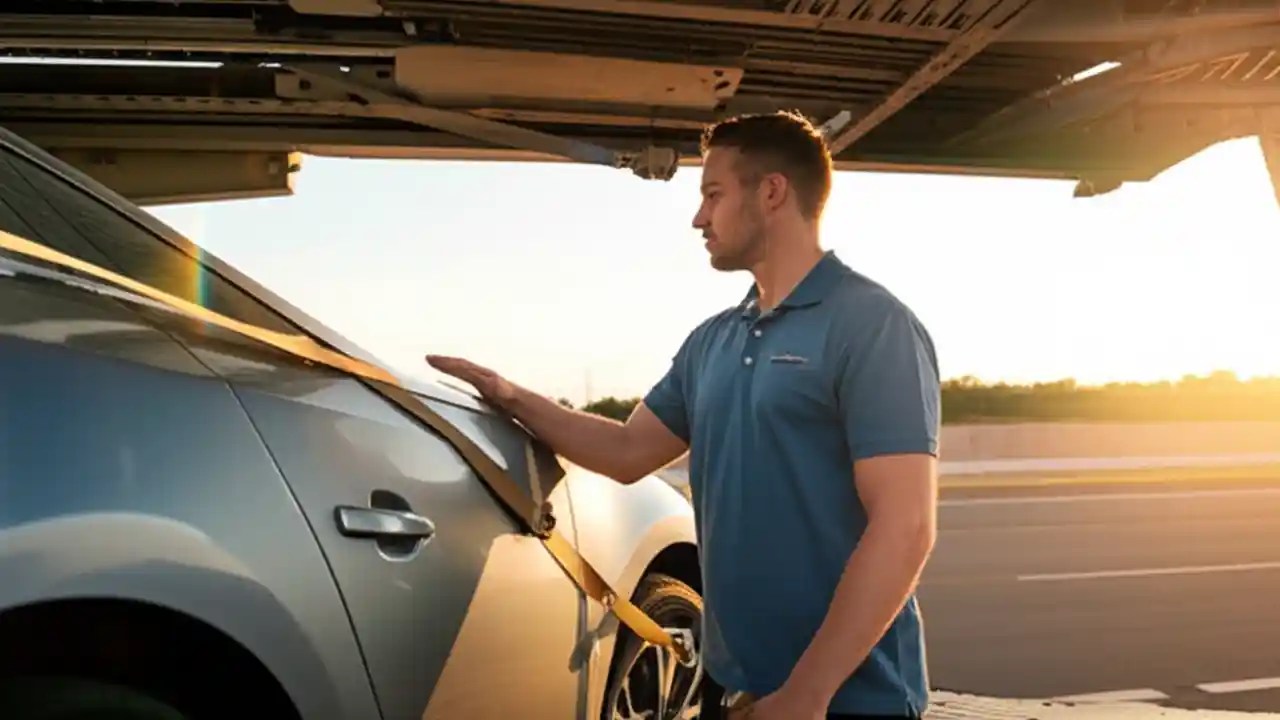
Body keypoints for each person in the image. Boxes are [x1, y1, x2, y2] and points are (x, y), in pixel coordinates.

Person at [427, 110, 941, 720]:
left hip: (847, 700)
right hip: (732, 689)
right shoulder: (713, 341)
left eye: (713, 195)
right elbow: (626, 451)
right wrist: (511, 397)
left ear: (772, 192)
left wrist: (809, 692)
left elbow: (905, 527)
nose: (699, 217)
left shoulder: (873, 325)